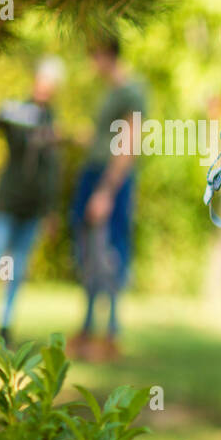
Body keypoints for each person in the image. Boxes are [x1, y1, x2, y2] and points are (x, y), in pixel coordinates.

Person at [0, 57, 66, 350]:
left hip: (32, 210)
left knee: (17, 269)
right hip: (6, 205)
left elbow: (51, 173)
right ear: (35, 81)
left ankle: (4, 327)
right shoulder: (16, 112)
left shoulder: (52, 123)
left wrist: (50, 211)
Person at [67, 32, 145, 362]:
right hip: (93, 175)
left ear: (107, 53)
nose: (92, 62)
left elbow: (129, 143)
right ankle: (87, 329)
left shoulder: (131, 89)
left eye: (94, 54)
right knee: (88, 253)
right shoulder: (111, 90)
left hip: (108, 181)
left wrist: (106, 192)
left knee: (108, 253)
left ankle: (110, 334)